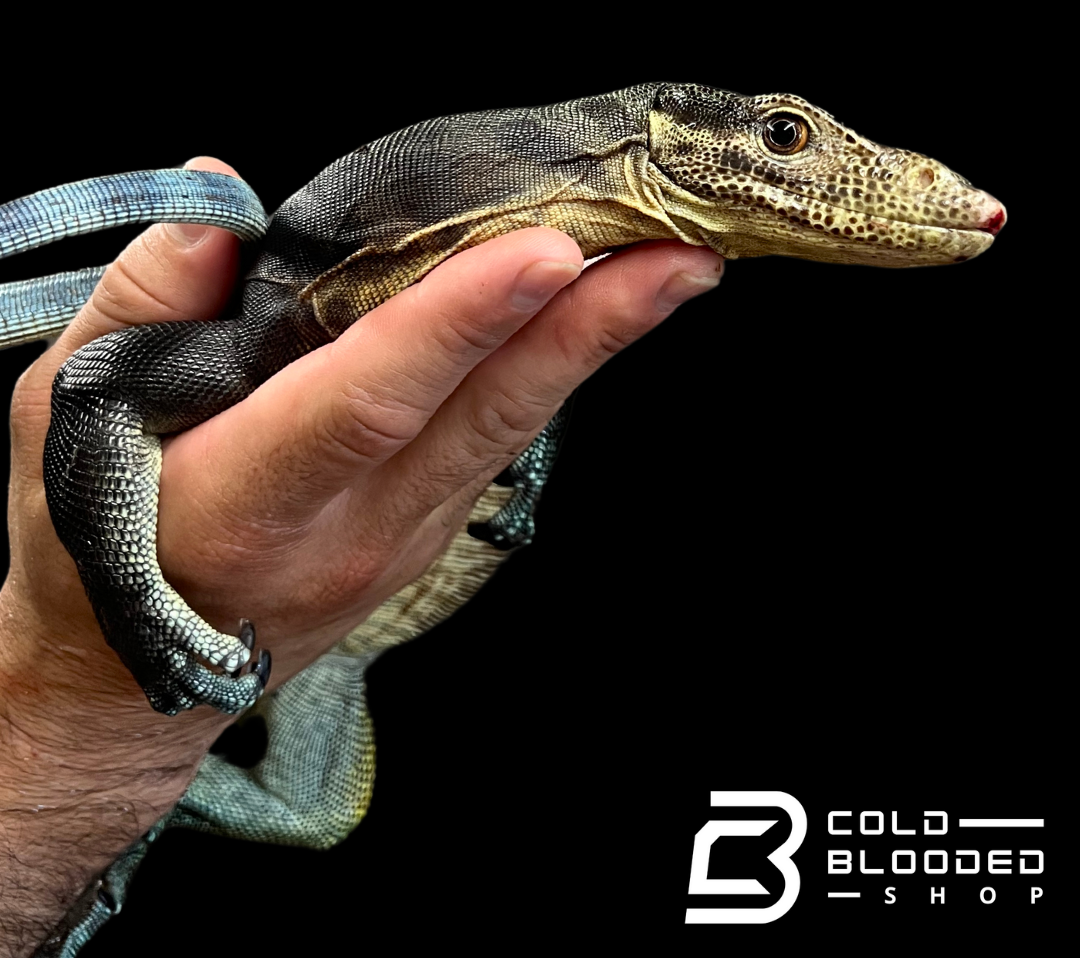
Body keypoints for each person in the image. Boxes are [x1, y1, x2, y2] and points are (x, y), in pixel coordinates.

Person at [0, 157, 721, 956]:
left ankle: (142, 812)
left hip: (333, 650)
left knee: (319, 812)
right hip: (257, 604)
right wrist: (89, 713)